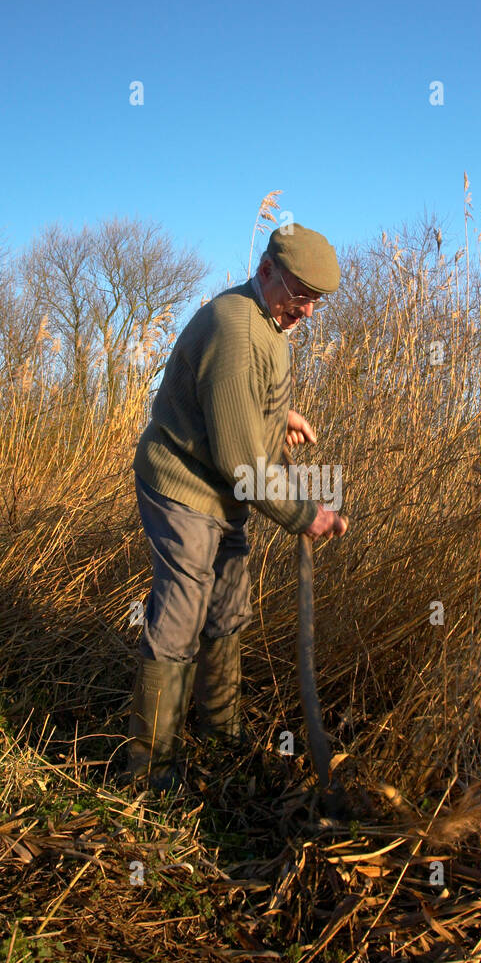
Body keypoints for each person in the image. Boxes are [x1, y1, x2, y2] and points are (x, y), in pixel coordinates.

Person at [116, 223, 348, 791]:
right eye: (299, 294)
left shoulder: (267, 320)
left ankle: (220, 733)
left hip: (226, 493)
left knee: (226, 608)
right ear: (266, 270)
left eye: (315, 301)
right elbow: (242, 460)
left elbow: (240, 402)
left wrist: (278, 418)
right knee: (181, 614)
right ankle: (149, 772)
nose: (307, 311)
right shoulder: (237, 327)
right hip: (184, 485)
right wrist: (304, 515)